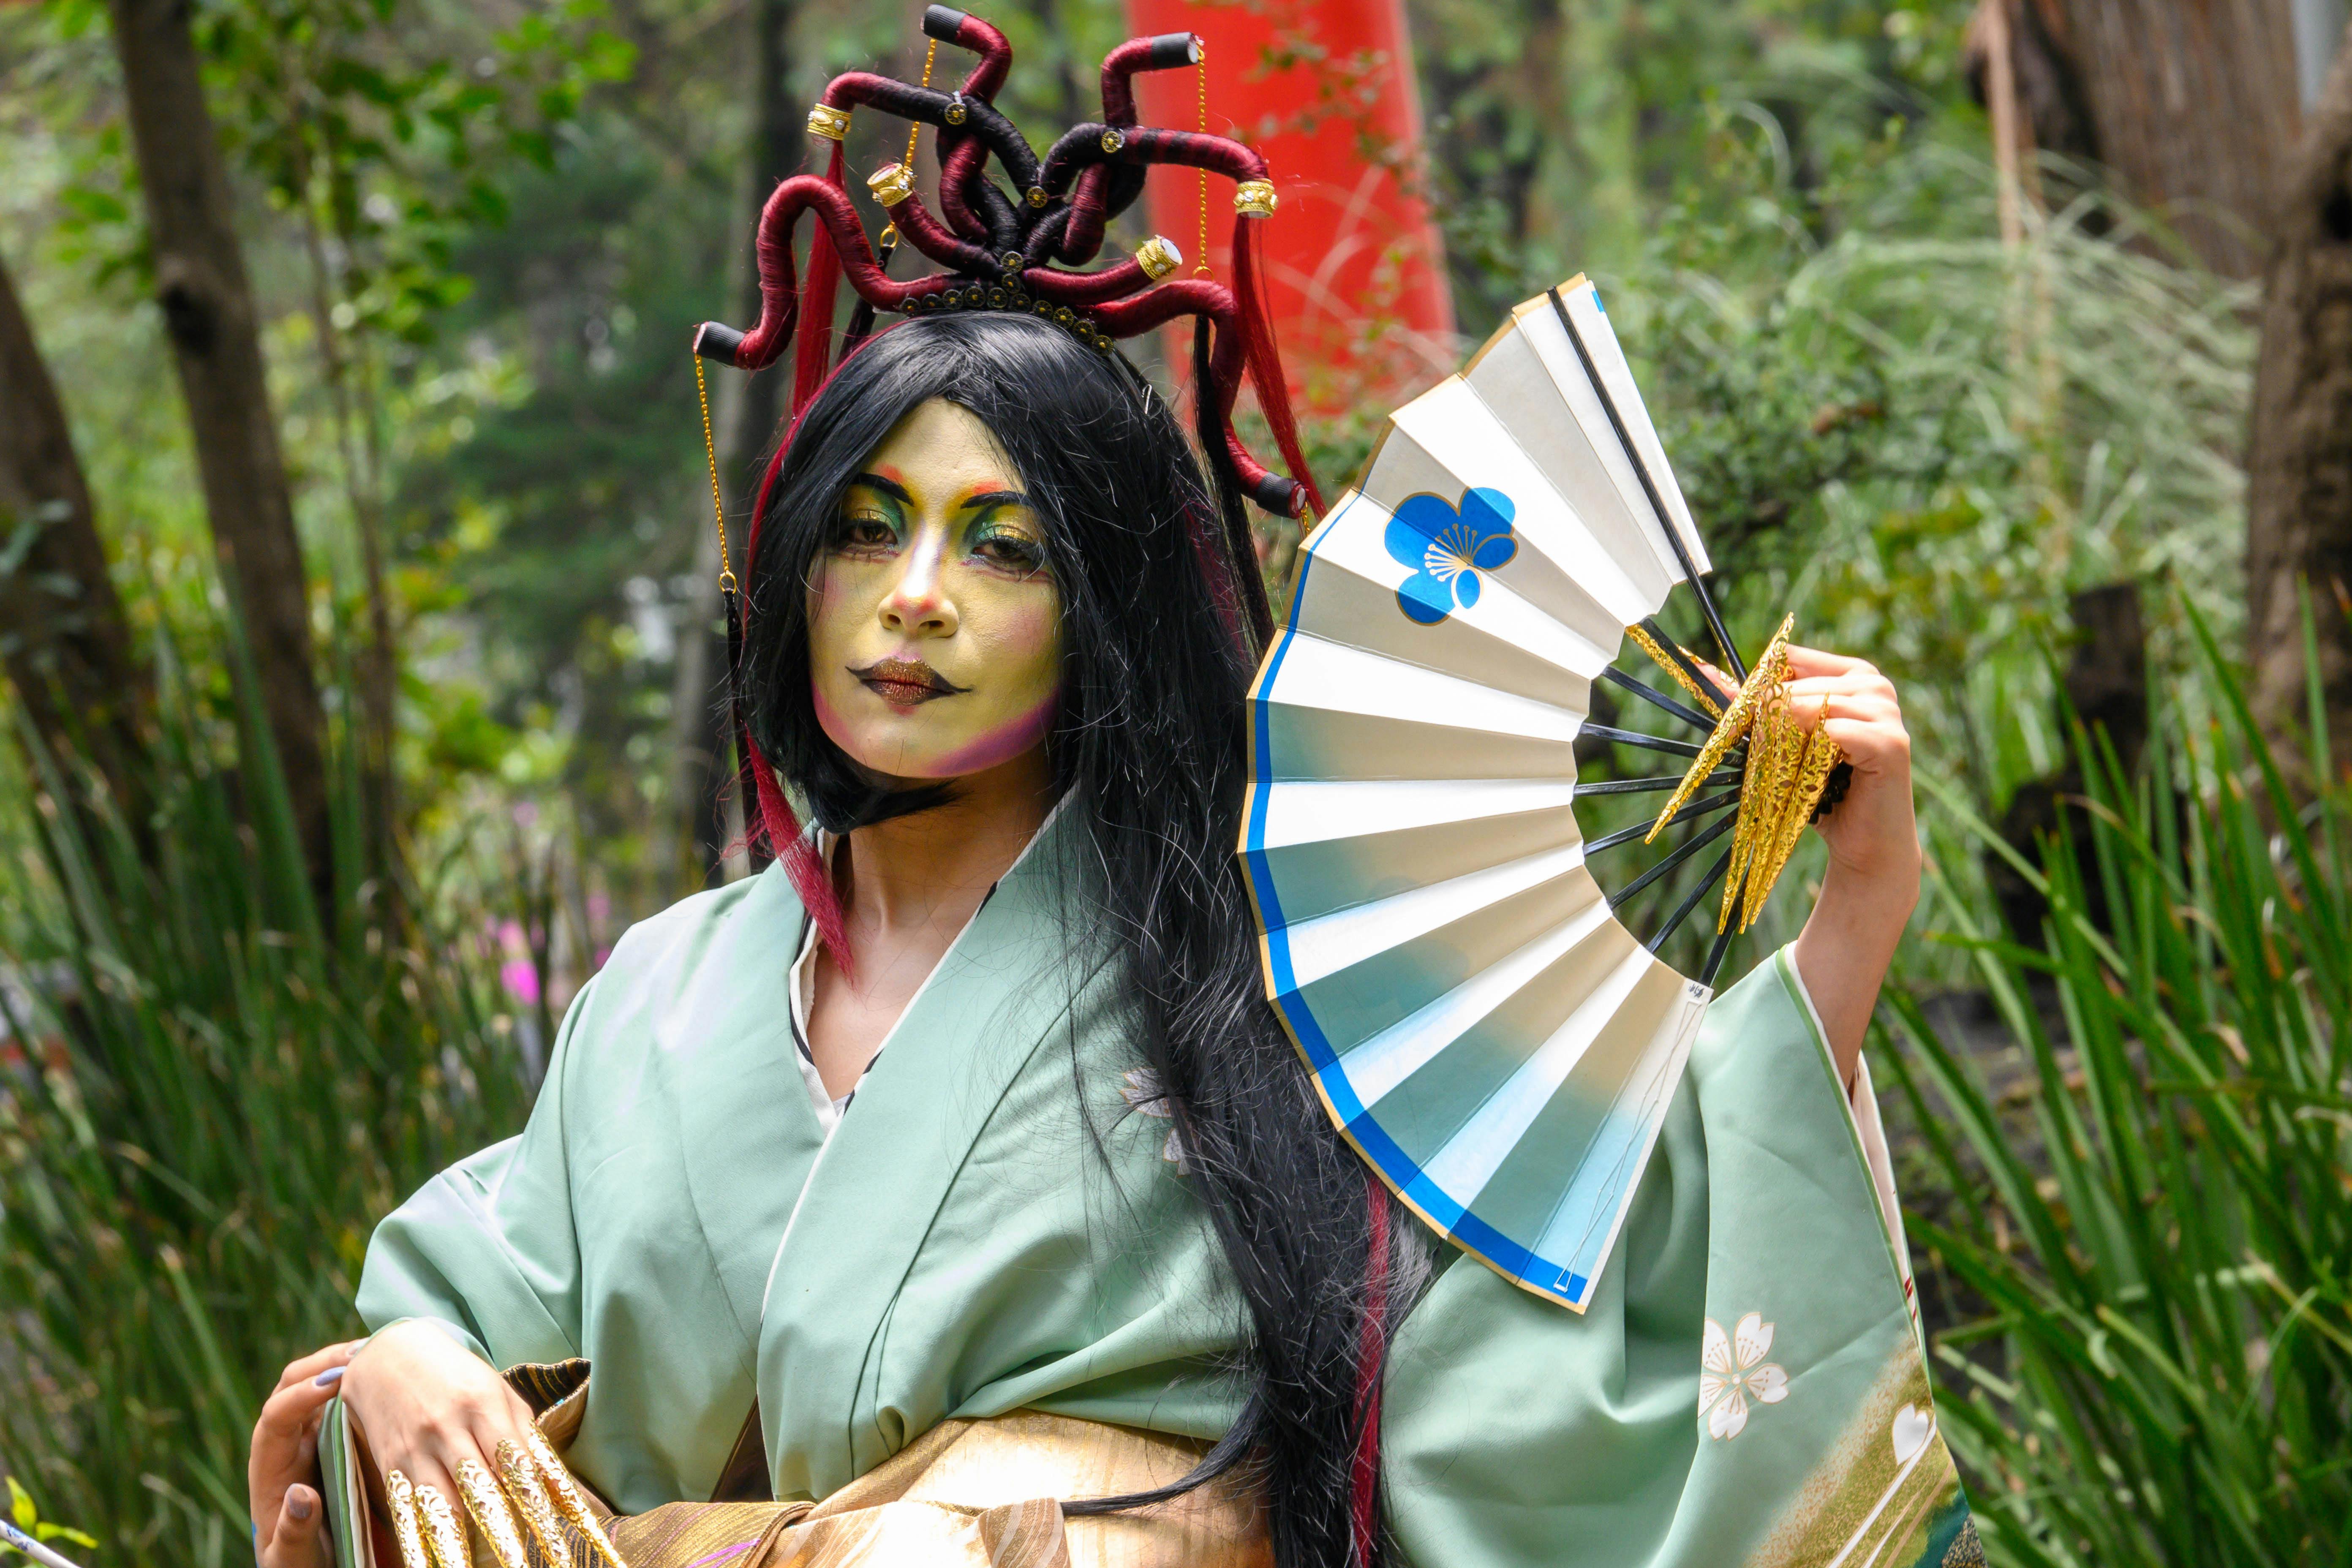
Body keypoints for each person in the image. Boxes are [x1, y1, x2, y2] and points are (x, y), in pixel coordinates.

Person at [249, 16, 1975, 1568]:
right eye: (869, 526)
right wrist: (400, 1365)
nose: (913, 595)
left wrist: (1848, 926)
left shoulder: (1271, 959)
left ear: (1109, 614)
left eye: (1003, 547)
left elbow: (1537, 1343)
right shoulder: (658, 997)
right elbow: (444, 1371)